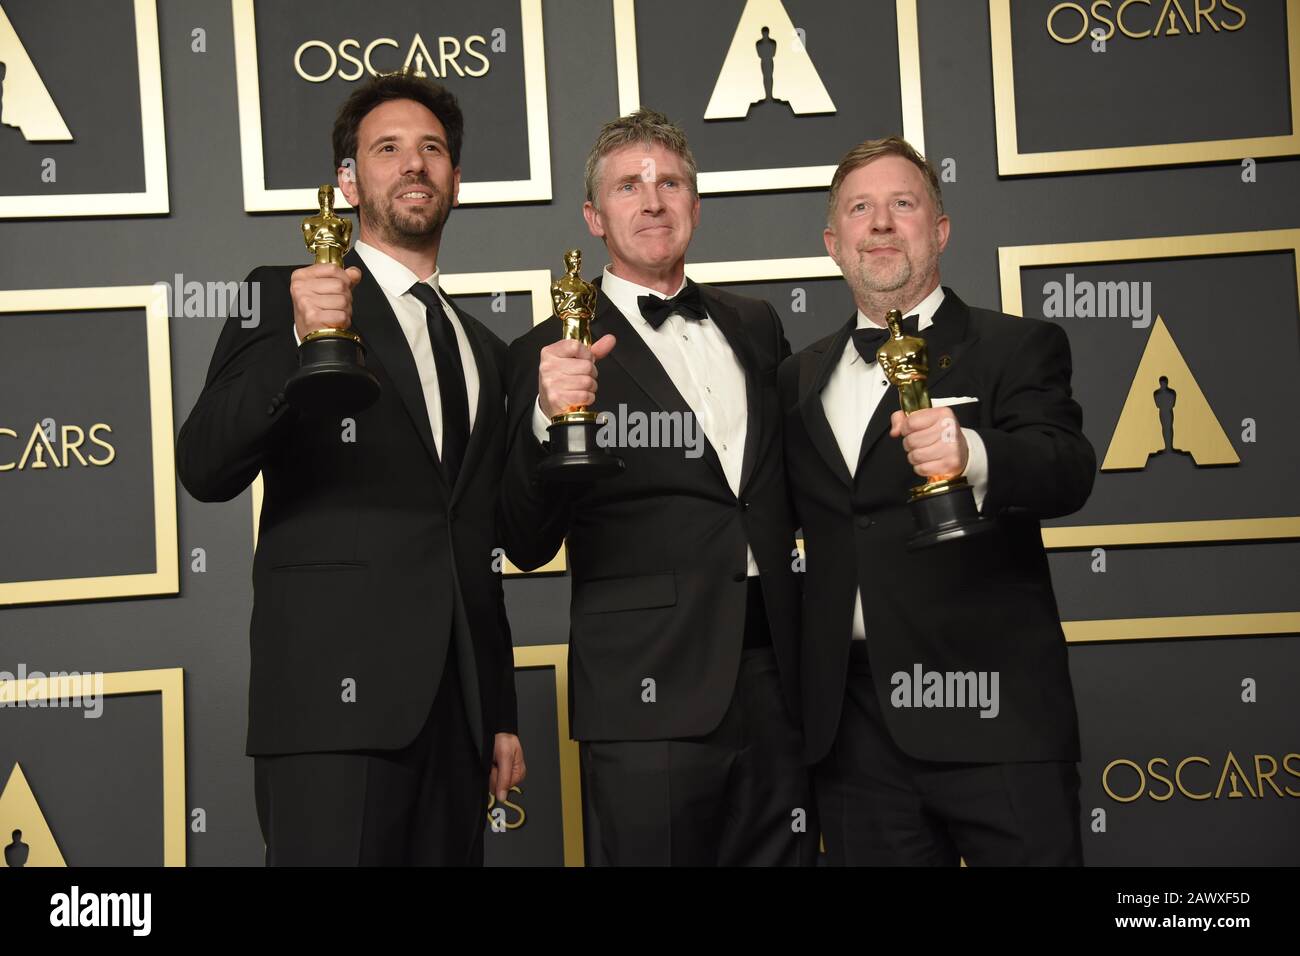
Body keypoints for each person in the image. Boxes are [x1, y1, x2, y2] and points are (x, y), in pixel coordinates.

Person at [176, 72, 524, 866]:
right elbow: (204, 464)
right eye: (388, 149)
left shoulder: (486, 351)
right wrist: (303, 339)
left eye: (433, 150)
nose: (415, 165)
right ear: (345, 181)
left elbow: (473, 541)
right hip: (330, 718)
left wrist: (497, 712)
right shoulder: (283, 296)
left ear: (457, 182)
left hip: (458, 724)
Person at [500, 109, 815, 866]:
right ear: (595, 217)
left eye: (670, 183)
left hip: (780, 676)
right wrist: (550, 418)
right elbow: (524, 535)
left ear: (695, 207)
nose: (652, 201)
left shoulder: (756, 323)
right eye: (628, 186)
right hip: (646, 690)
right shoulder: (545, 351)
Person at [779, 136, 1095, 865]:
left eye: (903, 204)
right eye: (860, 209)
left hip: (995, 713)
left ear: (941, 230)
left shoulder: (1016, 344)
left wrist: (973, 453)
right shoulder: (795, 377)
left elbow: (1066, 468)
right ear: (835, 242)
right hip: (853, 733)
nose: (881, 223)